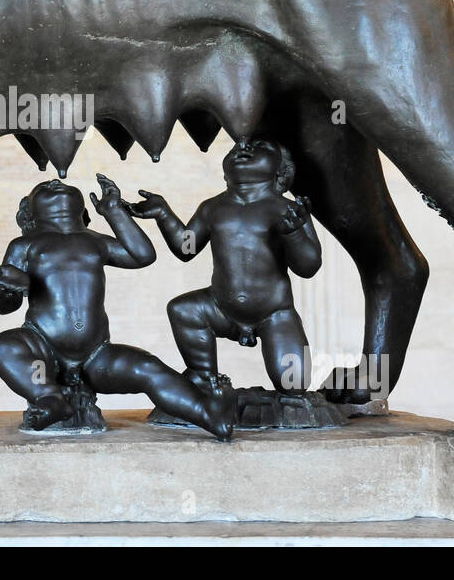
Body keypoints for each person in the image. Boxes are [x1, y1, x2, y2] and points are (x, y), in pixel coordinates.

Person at [0, 175, 234, 440]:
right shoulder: (24, 245)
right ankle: (49, 396)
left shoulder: (95, 241)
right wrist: (8, 288)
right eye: (44, 188)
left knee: (149, 369)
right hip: (43, 349)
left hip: (97, 355)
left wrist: (115, 212)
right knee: (1, 348)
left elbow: (141, 255)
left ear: (82, 211)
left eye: (58, 184)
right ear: (30, 214)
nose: (55, 182)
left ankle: (210, 415)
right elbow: (3, 307)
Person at [129, 140, 321, 394]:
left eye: (261, 147)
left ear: (280, 169)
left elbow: (308, 267)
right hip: (219, 307)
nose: (243, 148)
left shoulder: (288, 210)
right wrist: (163, 214)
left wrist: (294, 233)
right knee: (183, 310)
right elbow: (187, 249)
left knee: (294, 384)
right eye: (235, 148)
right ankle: (204, 377)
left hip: (275, 313)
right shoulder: (212, 208)